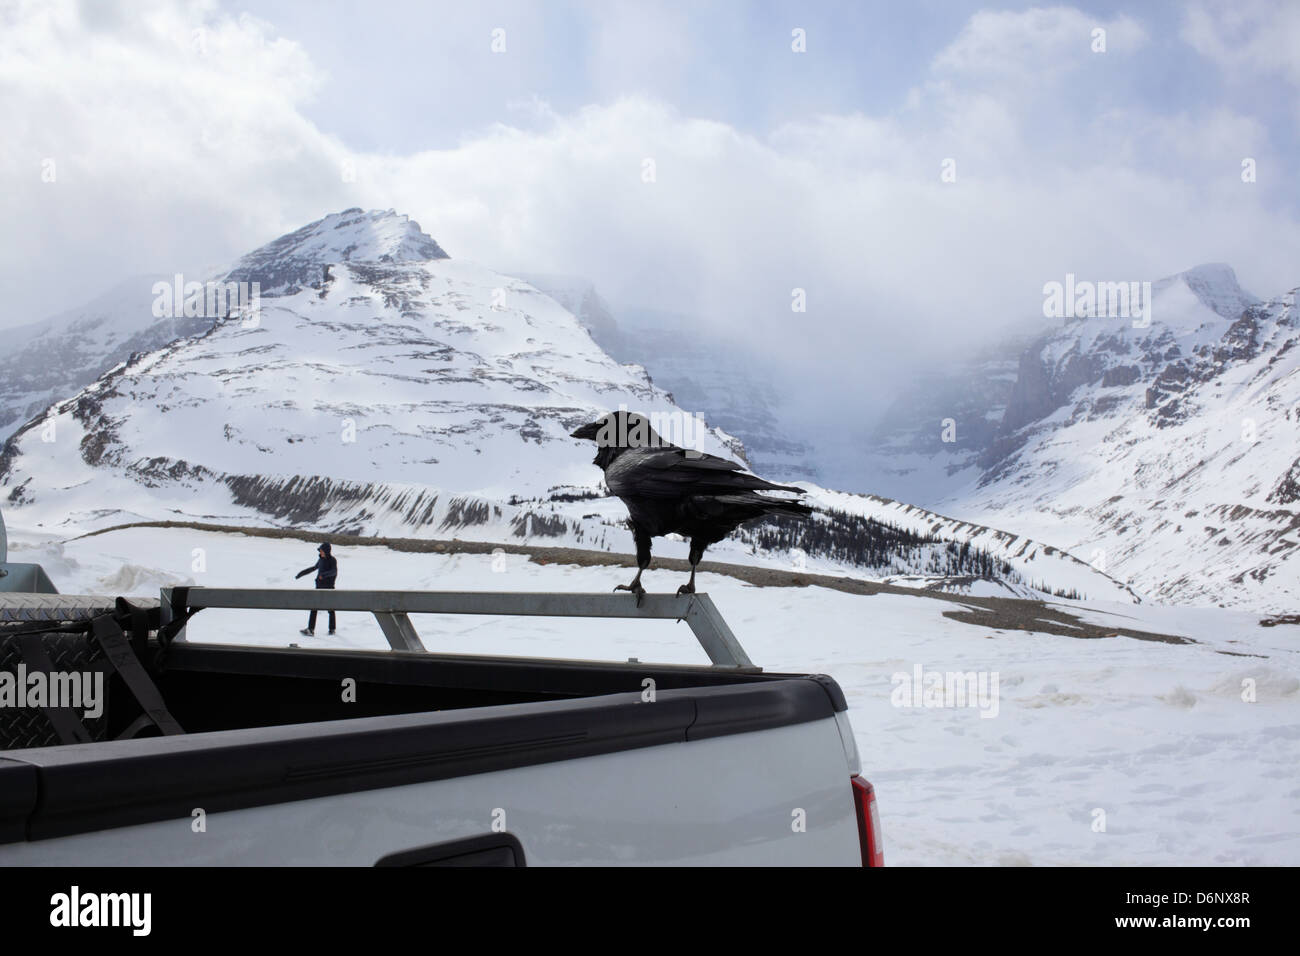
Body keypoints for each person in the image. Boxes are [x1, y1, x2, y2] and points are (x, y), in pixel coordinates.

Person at [295, 542, 338, 636]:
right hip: (319, 587)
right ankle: (310, 629)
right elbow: (314, 568)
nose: (320, 552)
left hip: (329, 588)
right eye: (320, 550)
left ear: (326, 551)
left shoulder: (332, 560)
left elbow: (334, 571)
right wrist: (301, 573)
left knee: (331, 609)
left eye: (322, 550)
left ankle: (332, 629)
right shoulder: (321, 560)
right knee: (314, 608)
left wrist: (323, 575)